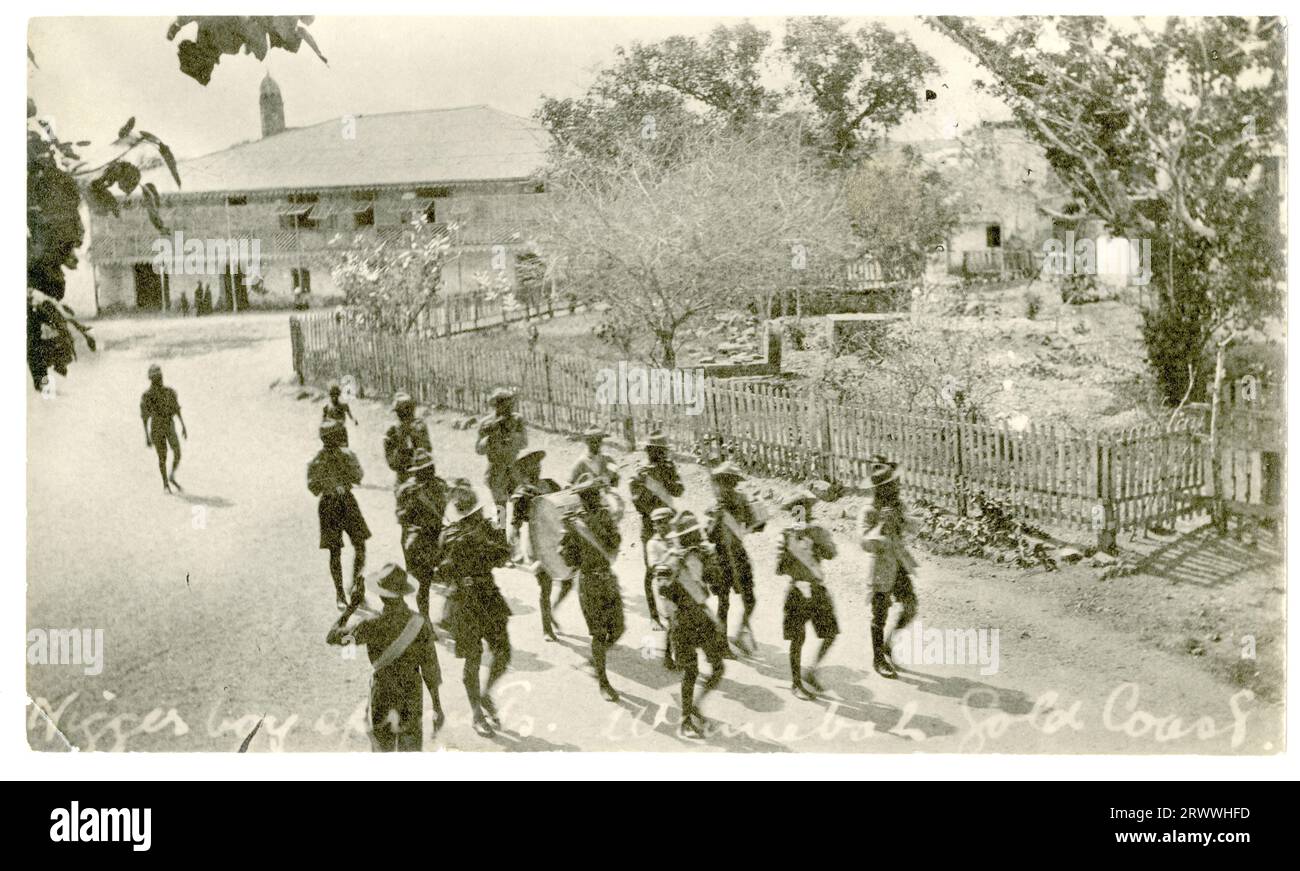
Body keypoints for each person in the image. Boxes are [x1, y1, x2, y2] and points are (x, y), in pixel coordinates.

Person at [325, 563, 445, 752]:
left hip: (383, 692)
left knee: (382, 752)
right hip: (411, 692)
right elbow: (430, 667)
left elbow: (333, 636)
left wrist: (352, 606)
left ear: (381, 593)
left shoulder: (370, 625)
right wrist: (437, 706)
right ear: (404, 592)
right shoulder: (419, 623)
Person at [438, 478, 513, 736]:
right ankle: (476, 714)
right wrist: (480, 547)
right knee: (473, 658)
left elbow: (504, 554)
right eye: (477, 512)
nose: (482, 514)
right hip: (464, 600)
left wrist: (495, 539)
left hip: (488, 594)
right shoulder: (451, 535)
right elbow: (444, 567)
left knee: (503, 651)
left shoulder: (486, 529)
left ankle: (485, 694)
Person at [657, 511, 727, 738]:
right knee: (691, 672)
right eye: (690, 535)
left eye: (696, 534)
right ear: (681, 537)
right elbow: (664, 593)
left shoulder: (702, 556)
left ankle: (695, 706)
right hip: (683, 623)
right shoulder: (670, 560)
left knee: (718, 668)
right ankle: (686, 718)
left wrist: (711, 561)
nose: (696, 538)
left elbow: (717, 584)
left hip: (702, 618)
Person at [560, 474, 624, 702]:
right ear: (583, 499)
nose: (595, 499)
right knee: (598, 634)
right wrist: (567, 538)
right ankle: (603, 681)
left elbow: (615, 542)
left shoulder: (604, 517)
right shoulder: (574, 525)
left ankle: (596, 661)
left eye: (595, 494)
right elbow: (568, 560)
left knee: (618, 629)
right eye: (590, 496)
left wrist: (597, 527)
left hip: (608, 579)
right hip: (589, 582)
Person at [858, 457, 918, 679]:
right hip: (881, 568)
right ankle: (878, 659)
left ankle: (888, 643)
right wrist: (881, 525)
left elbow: (914, 527)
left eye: (896, 483)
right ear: (881, 489)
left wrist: (901, 519)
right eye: (891, 485)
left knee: (910, 606)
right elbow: (864, 542)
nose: (896, 487)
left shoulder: (898, 506)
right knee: (879, 615)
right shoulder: (869, 511)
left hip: (899, 563)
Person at [779, 488, 839, 700]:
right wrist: (788, 548)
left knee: (830, 633)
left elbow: (832, 554)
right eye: (796, 510)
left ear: (810, 510)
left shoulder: (817, 531)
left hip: (816, 588)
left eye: (804, 509)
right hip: (796, 589)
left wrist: (818, 539)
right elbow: (779, 569)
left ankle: (811, 670)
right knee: (797, 639)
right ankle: (796, 683)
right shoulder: (787, 535)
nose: (801, 513)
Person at [705, 461, 766, 656]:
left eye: (731, 483)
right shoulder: (716, 507)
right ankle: (721, 644)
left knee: (751, 600)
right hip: (721, 557)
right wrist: (717, 517)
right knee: (724, 603)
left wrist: (760, 515)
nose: (728, 487)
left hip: (739, 555)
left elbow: (757, 525)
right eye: (724, 483)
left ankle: (741, 631)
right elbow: (709, 536)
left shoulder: (741, 500)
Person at [308, 419, 371, 610]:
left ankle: (353, 589)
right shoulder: (319, 460)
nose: (332, 440)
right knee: (337, 550)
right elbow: (313, 486)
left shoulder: (341, 456)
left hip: (343, 502)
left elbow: (358, 476)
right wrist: (331, 484)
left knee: (359, 544)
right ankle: (340, 593)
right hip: (331, 504)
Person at [628, 431, 684, 627]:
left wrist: (665, 478)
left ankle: (675, 610)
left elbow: (679, 490)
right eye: (655, 451)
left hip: (670, 524)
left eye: (662, 452)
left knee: (675, 565)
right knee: (651, 570)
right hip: (650, 525)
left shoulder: (669, 468)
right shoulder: (640, 473)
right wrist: (646, 483)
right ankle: (653, 615)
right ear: (649, 452)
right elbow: (637, 504)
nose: (659, 455)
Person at [509, 449, 564, 641]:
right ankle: (546, 628)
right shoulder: (522, 494)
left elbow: (564, 501)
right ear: (525, 470)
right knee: (545, 585)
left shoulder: (550, 484)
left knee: (568, 579)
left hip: (555, 538)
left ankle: (552, 611)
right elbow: (514, 521)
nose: (537, 468)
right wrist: (512, 537)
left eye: (538, 464)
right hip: (536, 543)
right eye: (532, 465)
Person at [395, 447, 447, 620]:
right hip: (420, 540)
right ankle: (425, 621)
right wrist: (412, 505)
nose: (430, 472)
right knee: (423, 585)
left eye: (430, 468)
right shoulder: (407, 490)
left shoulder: (440, 486)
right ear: (418, 472)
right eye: (425, 470)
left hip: (438, 536)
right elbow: (402, 520)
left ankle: (448, 617)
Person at [476, 388, 528, 527]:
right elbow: (479, 450)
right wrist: (490, 437)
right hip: (496, 469)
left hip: (514, 467)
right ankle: (500, 541)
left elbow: (524, 443)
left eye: (510, 403)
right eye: (504, 403)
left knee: (522, 502)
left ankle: (516, 533)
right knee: (500, 510)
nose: (509, 407)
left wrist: (511, 434)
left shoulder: (517, 420)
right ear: (497, 405)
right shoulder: (487, 423)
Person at [140, 364, 187, 493]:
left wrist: (183, 425)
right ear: (151, 379)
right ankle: (165, 483)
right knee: (162, 456)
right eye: (155, 378)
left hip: (169, 424)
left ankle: (171, 476)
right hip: (156, 426)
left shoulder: (169, 392)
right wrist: (147, 437)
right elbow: (144, 417)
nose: (159, 380)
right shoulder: (147, 396)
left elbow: (176, 409)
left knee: (177, 452)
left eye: (159, 377)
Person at [645, 507, 678, 669]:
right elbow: (654, 566)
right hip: (663, 586)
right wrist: (672, 556)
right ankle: (668, 655)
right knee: (672, 621)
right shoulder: (652, 544)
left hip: (679, 584)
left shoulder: (676, 538)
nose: (663, 526)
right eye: (659, 523)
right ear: (654, 526)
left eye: (666, 522)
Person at [384, 392, 432, 484]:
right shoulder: (393, 432)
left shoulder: (393, 431)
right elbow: (429, 449)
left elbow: (428, 449)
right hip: (414, 477)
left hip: (417, 477)